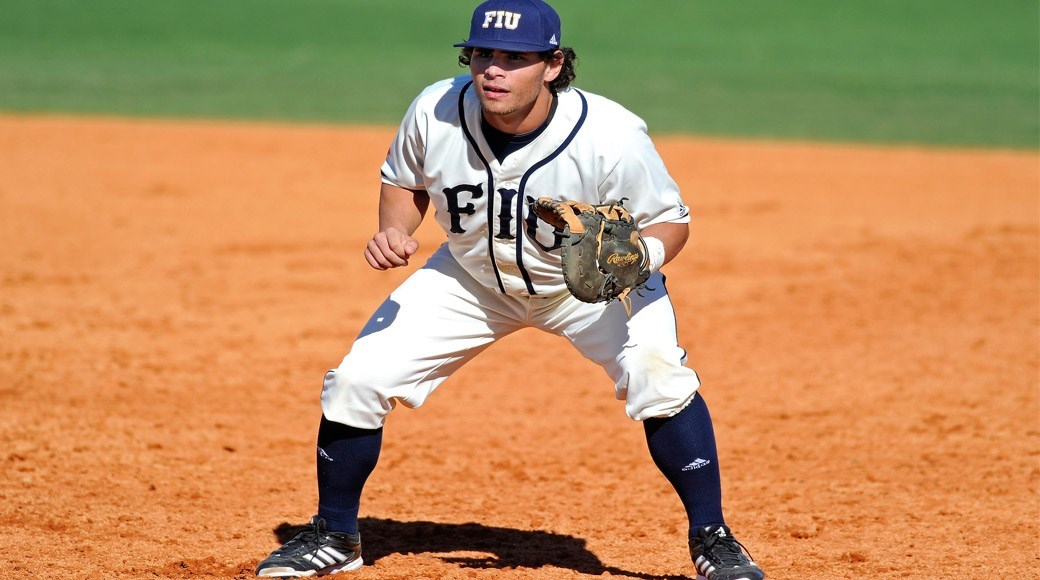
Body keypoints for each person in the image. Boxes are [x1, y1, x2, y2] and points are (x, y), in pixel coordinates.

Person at [255, 0, 765, 578]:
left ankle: (714, 540)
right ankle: (335, 535)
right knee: (356, 378)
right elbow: (403, 178)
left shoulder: (611, 134)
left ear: (552, 65)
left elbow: (671, 220)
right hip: (470, 279)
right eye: (482, 54)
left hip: (590, 288)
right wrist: (395, 230)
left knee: (658, 376)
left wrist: (636, 259)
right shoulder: (436, 109)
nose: (492, 69)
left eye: (513, 58)